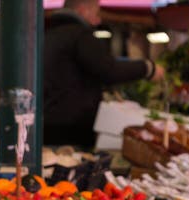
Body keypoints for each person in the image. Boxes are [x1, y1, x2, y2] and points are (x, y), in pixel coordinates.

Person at [44, 0, 166, 147]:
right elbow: (108, 70)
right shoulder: (81, 35)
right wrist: (148, 68)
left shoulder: (48, 34)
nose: (99, 20)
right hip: (73, 128)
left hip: (47, 123)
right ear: (83, 10)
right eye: (96, 13)